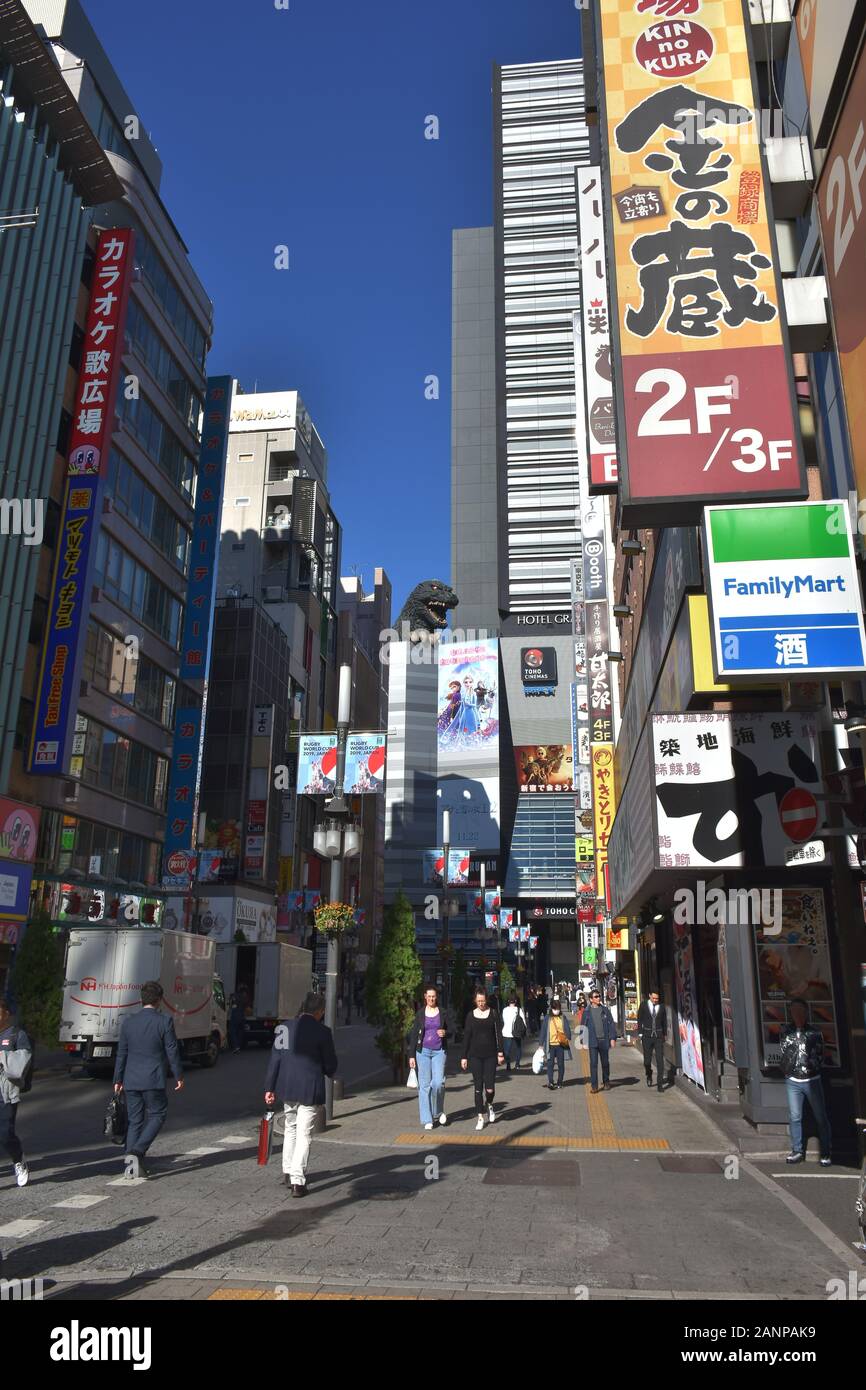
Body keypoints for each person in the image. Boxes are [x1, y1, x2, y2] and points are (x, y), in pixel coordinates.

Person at [264, 991, 338, 1196]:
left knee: (291, 1128)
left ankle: (287, 1171)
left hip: (287, 1087)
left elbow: (275, 1060)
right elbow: (330, 1065)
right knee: (304, 1134)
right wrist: (327, 1070)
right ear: (320, 1011)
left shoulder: (284, 1028)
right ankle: (298, 1180)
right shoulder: (323, 1032)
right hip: (309, 1088)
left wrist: (269, 1088)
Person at [113, 981, 184, 1177]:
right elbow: (171, 1049)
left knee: (135, 1120)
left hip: (131, 1079)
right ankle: (137, 1151)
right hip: (153, 1078)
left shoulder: (129, 1022)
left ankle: (130, 1164)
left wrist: (117, 1079)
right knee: (158, 1114)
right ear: (160, 1000)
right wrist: (178, 1074)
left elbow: (122, 1053)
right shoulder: (164, 1021)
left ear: (141, 999)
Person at [780, 1000, 832, 1166]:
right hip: (793, 1079)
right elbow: (783, 1050)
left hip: (812, 1078)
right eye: (795, 1012)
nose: (798, 1015)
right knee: (795, 1116)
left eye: (800, 1012)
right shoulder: (786, 1031)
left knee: (820, 1116)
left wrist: (813, 1065)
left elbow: (821, 1053)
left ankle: (826, 1152)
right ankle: (797, 1150)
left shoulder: (814, 1032)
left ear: (806, 1013)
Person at [461, 988, 505, 1130]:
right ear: (475, 1000)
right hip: (475, 1056)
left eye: (483, 1000)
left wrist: (500, 1052)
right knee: (478, 1087)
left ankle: (489, 1104)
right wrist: (464, 1056)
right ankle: (480, 1116)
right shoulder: (470, 1016)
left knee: (490, 1088)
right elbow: (466, 1037)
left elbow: (499, 1033)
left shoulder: (493, 1013)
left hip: (491, 1055)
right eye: (478, 1001)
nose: (481, 1003)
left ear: (487, 999)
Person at [0, 995, 32, 1188]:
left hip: (6, 1094)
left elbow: (22, 1063)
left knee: (5, 1134)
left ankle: (18, 1158)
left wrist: (2, 1057)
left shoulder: (16, 1035)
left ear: (6, 1014)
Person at [407, 986, 449, 1130]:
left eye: (434, 996)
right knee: (424, 1086)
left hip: (439, 1051)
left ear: (436, 997)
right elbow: (414, 1035)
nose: (431, 999)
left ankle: (438, 1111)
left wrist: (445, 1032)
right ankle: (427, 1119)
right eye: (429, 996)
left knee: (438, 1083)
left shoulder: (443, 1012)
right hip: (422, 1052)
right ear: (425, 997)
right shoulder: (420, 1014)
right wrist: (411, 1055)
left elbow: (453, 1029)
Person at [582, 988, 618, 1094]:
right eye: (596, 997)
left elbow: (611, 1024)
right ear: (591, 999)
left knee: (605, 1063)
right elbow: (582, 1027)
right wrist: (583, 1042)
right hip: (593, 1042)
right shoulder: (587, 1012)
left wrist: (612, 1038)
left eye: (599, 996)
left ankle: (606, 1081)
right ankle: (594, 1086)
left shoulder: (605, 1010)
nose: (598, 998)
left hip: (604, 1041)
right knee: (593, 1064)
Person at [539, 995, 572, 1091]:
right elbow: (543, 1031)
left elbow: (567, 1028)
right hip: (550, 1045)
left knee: (561, 1064)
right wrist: (541, 1044)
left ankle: (560, 1081)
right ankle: (550, 1081)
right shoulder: (547, 1018)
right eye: (555, 1009)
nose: (556, 1010)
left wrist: (568, 1037)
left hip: (560, 1044)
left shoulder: (562, 1017)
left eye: (558, 1009)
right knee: (550, 1064)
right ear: (552, 1008)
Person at [637, 989, 667, 1092]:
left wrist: (665, 1034)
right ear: (650, 996)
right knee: (647, 1061)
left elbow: (664, 1021)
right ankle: (649, 1073)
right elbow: (639, 1018)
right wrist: (640, 1033)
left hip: (658, 1036)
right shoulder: (644, 1005)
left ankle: (660, 1084)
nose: (655, 1000)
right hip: (647, 1035)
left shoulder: (662, 1007)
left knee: (660, 1061)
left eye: (657, 999)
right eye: (653, 998)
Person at [501, 994, 527, 1073]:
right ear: (515, 1001)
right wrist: (524, 1031)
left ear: (508, 1001)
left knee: (506, 1050)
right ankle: (517, 1064)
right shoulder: (519, 1010)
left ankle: (508, 1063)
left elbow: (503, 1020)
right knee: (518, 1048)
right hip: (517, 1032)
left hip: (506, 1032)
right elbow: (523, 1022)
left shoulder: (504, 1010)